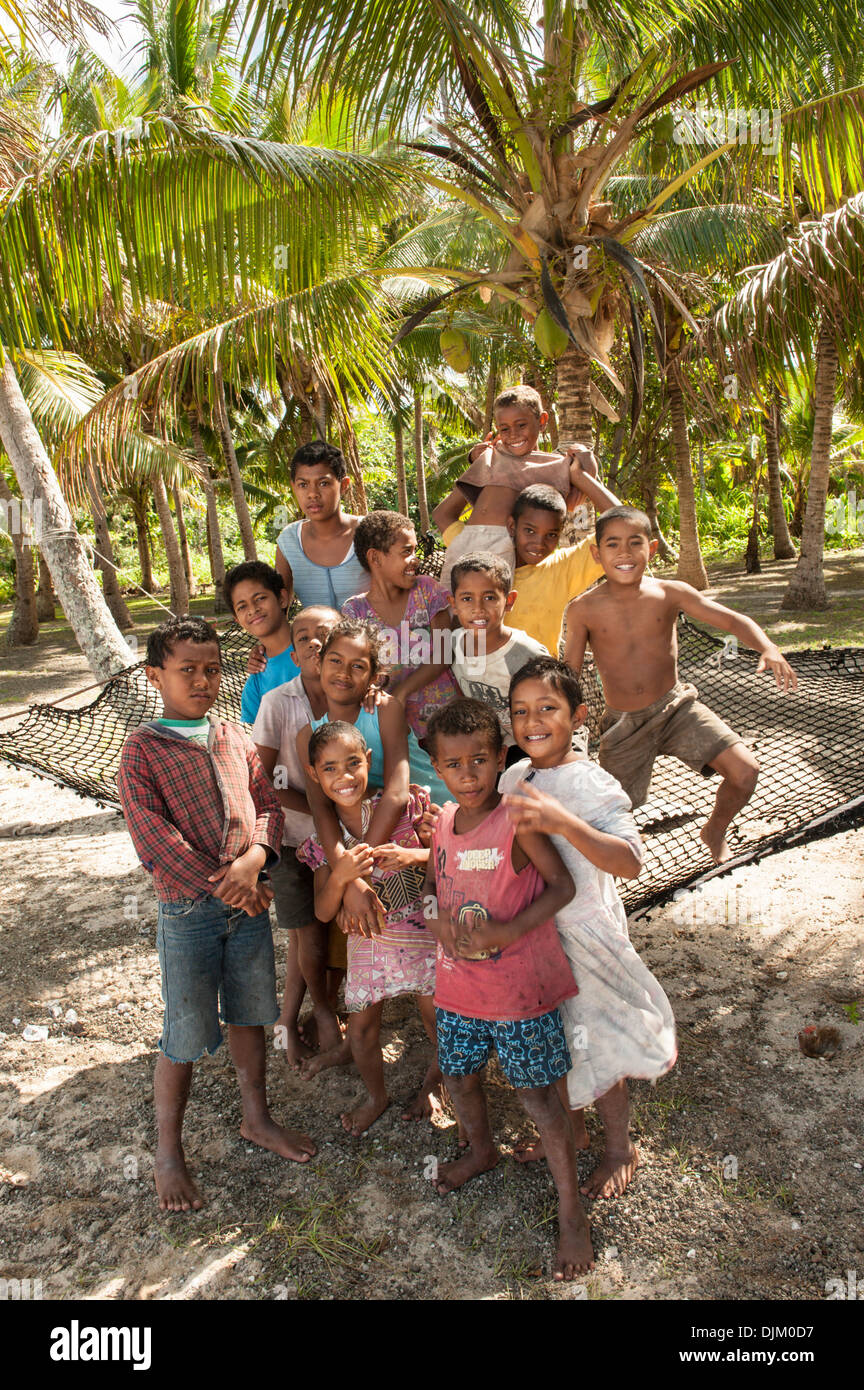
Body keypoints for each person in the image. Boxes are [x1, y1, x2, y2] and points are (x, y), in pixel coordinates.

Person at [116, 616, 315, 1213]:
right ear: (155, 676)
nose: (201, 681)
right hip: (189, 914)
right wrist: (228, 885)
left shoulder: (233, 735)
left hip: (247, 903)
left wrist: (255, 858)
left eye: (211, 669)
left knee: (251, 1015)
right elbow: (154, 839)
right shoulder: (143, 750)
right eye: (186, 670)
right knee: (184, 1033)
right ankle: (169, 1154)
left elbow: (267, 807)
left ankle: (257, 1117)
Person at [422, 698, 594, 1281]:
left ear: (501, 758)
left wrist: (508, 929)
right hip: (457, 990)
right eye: (452, 764)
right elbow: (431, 888)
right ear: (437, 767)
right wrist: (433, 919)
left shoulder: (516, 820)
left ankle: (571, 1211)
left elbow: (562, 885)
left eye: (479, 760)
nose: (467, 774)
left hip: (519, 993)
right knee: (460, 1079)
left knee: (540, 1098)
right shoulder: (443, 822)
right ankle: (479, 1148)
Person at [501, 656, 677, 1199]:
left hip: (586, 936)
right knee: (557, 1037)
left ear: (578, 716)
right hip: (537, 935)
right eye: (521, 710)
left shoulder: (595, 784)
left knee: (596, 1040)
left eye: (548, 709)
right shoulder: (514, 775)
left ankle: (620, 1145)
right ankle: (573, 1132)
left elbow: (629, 860)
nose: (533, 721)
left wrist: (564, 822)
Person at [563, 506, 798, 863]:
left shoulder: (671, 593)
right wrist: (563, 717)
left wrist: (768, 646)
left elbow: (732, 620)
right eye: (612, 545)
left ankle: (714, 830)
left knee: (745, 771)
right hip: (624, 723)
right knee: (609, 812)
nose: (624, 553)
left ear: (651, 548)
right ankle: (607, 878)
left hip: (677, 708)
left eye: (634, 543)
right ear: (597, 553)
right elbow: (571, 672)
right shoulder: (583, 609)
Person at [297, 721, 440, 1134]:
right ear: (313, 774)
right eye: (329, 769)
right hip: (370, 950)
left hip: (422, 940)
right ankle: (377, 1096)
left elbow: (445, 857)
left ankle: (436, 1082)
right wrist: (342, 876)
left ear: (369, 762)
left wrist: (416, 856)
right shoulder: (325, 843)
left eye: (352, 763)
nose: (343, 777)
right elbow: (324, 913)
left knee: (437, 1020)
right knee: (361, 1030)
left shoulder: (406, 808)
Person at [251, 604, 346, 1069]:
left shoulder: (356, 697)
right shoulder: (278, 702)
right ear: (292, 648)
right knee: (305, 929)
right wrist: (318, 806)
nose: (312, 642)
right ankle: (323, 1014)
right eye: (302, 635)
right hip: (292, 838)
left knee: (336, 927)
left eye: (323, 635)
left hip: (345, 839)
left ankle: (315, 1013)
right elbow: (260, 779)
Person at [343, 510, 459, 802]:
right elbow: (359, 668)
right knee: (419, 801)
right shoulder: (354, 612)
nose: (415, 559)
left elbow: (444, 653)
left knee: (454, 793)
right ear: (376, 558)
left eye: (415, 551)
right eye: (406, 552)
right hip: (398, 731)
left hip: (446, 719)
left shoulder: (428, 592)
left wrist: (403, 690)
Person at [433, 385, 596, 587]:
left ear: (542, 421)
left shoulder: (553, 465)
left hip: (503, 546)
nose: (513, 434)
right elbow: (474, 470)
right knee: (447, 604)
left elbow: (576, 494)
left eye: (521, 425)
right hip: (466, 539)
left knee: (483, 605)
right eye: (504, 429)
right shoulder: (495, 454)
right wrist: (474, 455)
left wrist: (584, 453)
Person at [448, 552, 548, 748]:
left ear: (509, 601)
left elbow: (556, 708)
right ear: (454, 605)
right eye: (467, 598)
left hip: (530, 748)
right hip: (485, 751)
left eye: (489, 597)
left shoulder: (526, 653)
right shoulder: (452, 644)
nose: (478, 608)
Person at [507, 479, 618, 656]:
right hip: (485, 681)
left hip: (540, 679)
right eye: (529, 531)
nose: (539, 544)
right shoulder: (486, 562)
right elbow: (445, 515)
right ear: (512, 526)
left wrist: (581, 475)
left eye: (551, 535)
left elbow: (622, 522)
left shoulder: (560, 567)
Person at [275, 440, 369, 609]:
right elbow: (280, 607)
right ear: (294, 487)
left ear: (344, 485)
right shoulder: (288, 541)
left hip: (376, 634)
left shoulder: (369, 533)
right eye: (303, 485)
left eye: (323, 483)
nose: (312, 494)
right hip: (315, 635)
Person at [225, 561, 299, 724]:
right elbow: (259, 742)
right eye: (242, 606)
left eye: (260, 598)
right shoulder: (255, 683)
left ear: (282, 598)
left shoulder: (315, 649)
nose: (252, 609)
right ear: (237, 620)